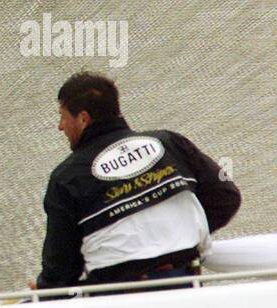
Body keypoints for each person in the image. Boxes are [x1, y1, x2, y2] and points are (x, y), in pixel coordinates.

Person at [32, 72, 240, 291]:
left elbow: (62, 266)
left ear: (83, 118)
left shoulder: (66, 178)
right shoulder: (169, 142)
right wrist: (177, 236)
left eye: (63, 116)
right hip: (183, 281)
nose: (60, 126)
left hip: (119, 296)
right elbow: (226, 198)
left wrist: (46, 290)